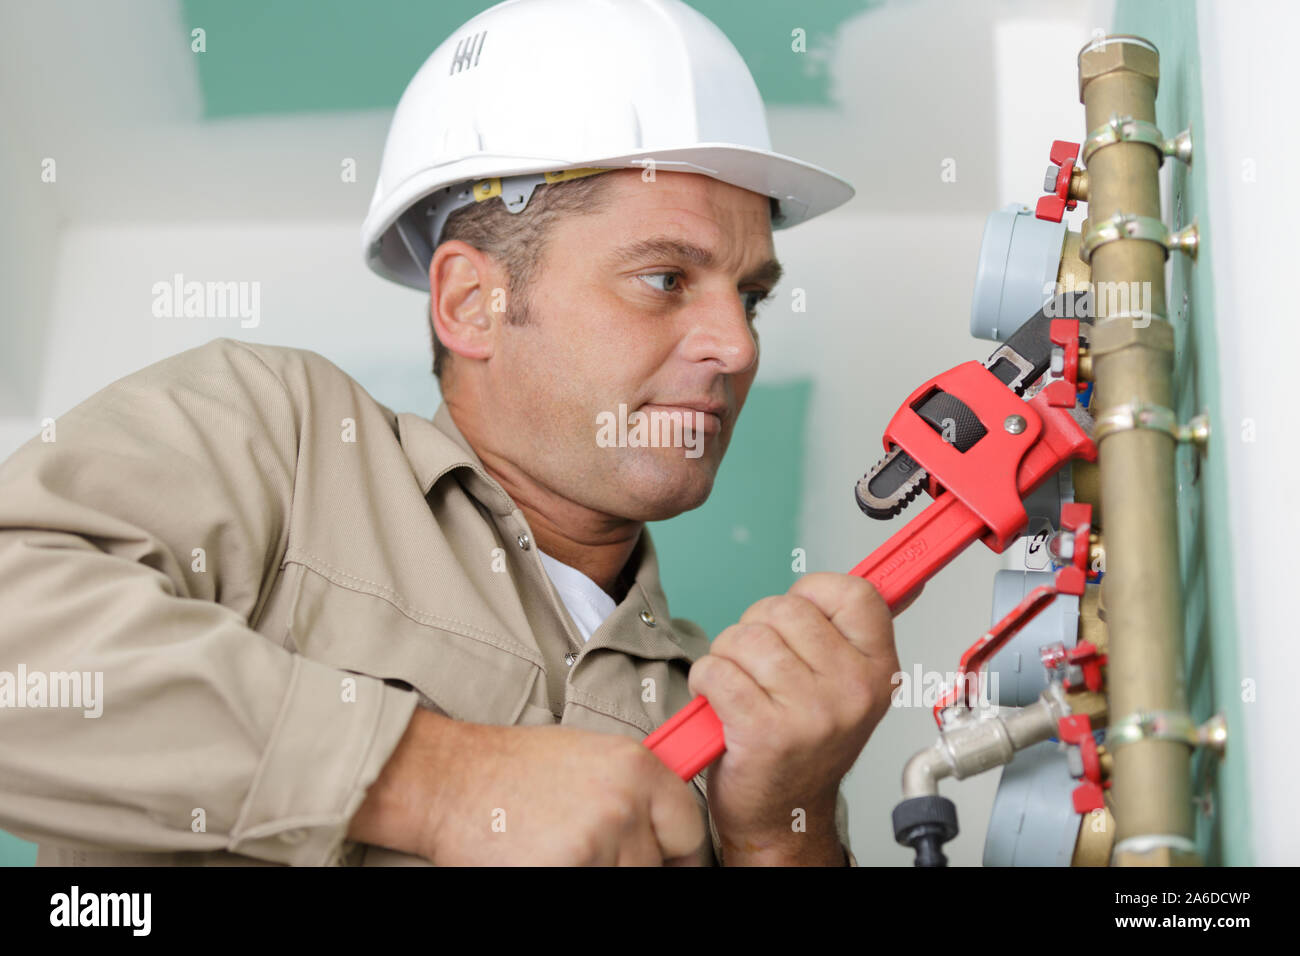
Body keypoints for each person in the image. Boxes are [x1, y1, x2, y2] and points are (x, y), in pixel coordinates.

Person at [0, 0, 898, 866]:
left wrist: (782, 834)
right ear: (473, 303)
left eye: (751, 297)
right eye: (666, 278)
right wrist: (440, 784)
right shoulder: (279, 436)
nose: (738, 346)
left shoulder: (745, 703)